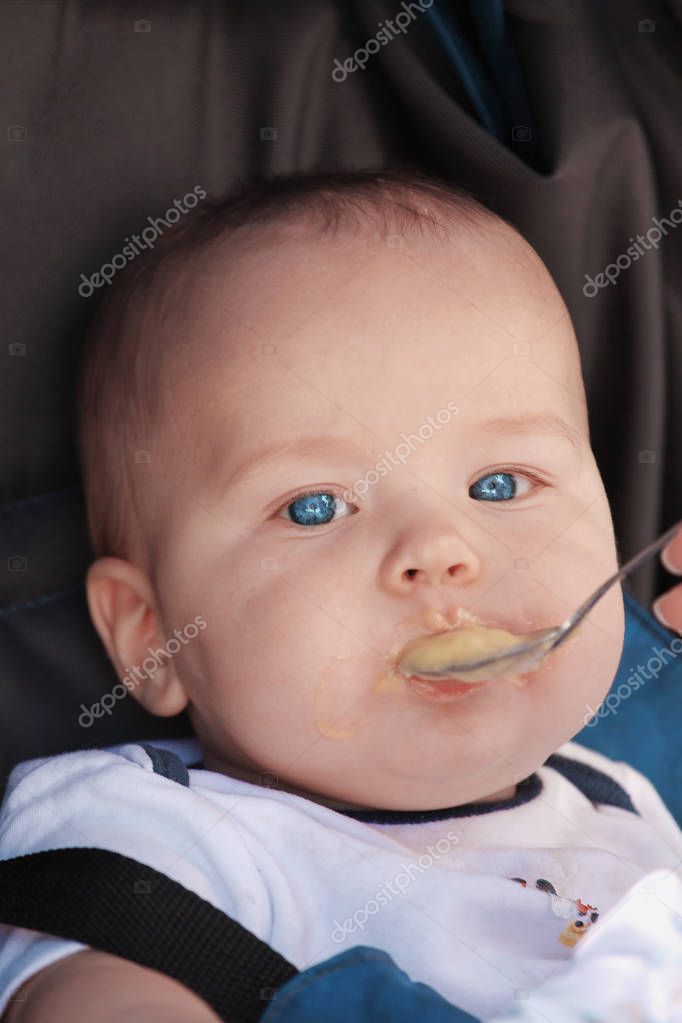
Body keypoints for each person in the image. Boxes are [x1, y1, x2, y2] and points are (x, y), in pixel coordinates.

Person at [1, 169, 682, 1023]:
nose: (439, 552)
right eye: (315, 507)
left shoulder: (620, 797)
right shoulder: (173, 838)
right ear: (151, 634)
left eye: (502, 484)